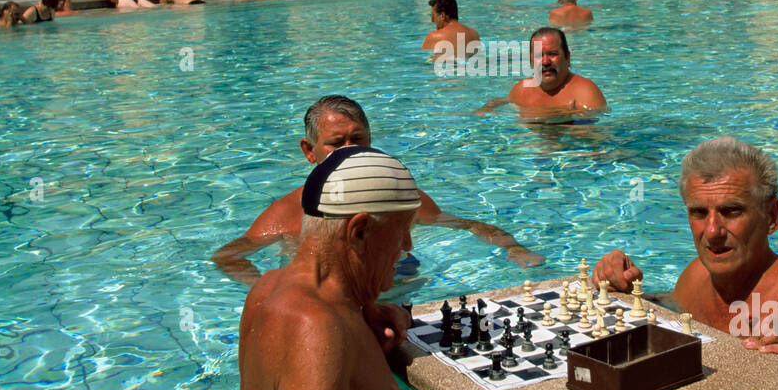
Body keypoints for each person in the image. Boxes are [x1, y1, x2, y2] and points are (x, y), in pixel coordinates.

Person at [228, 145, 545, 390]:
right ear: (359, 231)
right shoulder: (318, 326)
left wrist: (364, 319)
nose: (407, 246)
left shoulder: (270, 287)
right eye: (402, 230)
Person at [590, 137, 778, 388]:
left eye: (731, 211)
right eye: (698, 212)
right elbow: (671, 309)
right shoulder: (696, 276)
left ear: (771, 217)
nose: (712, 231)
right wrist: (623, 283)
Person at [211, 96, 542, 282]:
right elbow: (228, 255)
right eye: (336, 143)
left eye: (359, 140)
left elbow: (467, 225)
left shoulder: (396, 195)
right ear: (309, 151)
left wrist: (513, 248)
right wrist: (266, 287)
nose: (350, 150)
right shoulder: (288, 212)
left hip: (399, 293)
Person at [477, 27, 607, 120]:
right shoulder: (521, 90)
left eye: (553, 54)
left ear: (567, 57)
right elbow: (504, 101)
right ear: (531, 60)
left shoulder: (585, 92)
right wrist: (487, 108)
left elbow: (593, 139)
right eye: (539, 55)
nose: (545, 61)